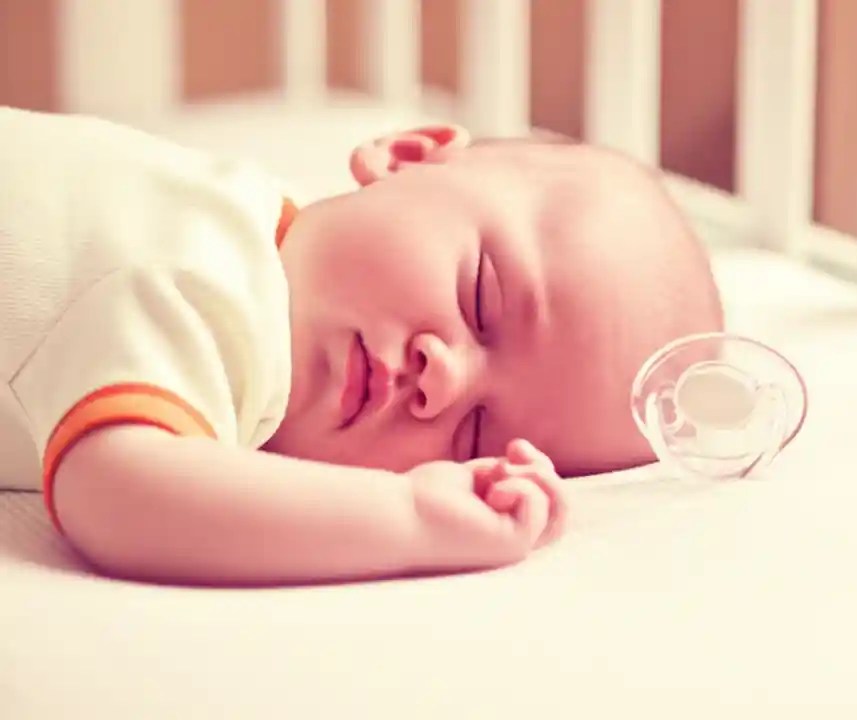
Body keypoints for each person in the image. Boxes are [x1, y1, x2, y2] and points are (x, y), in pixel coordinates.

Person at [0, 107, 723, 586]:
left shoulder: (251, 223)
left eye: (472, 436)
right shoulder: (218, 295)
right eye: (480, 295)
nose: (441, 380)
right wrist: (409, 517)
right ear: (408, 155)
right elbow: (122, 492)